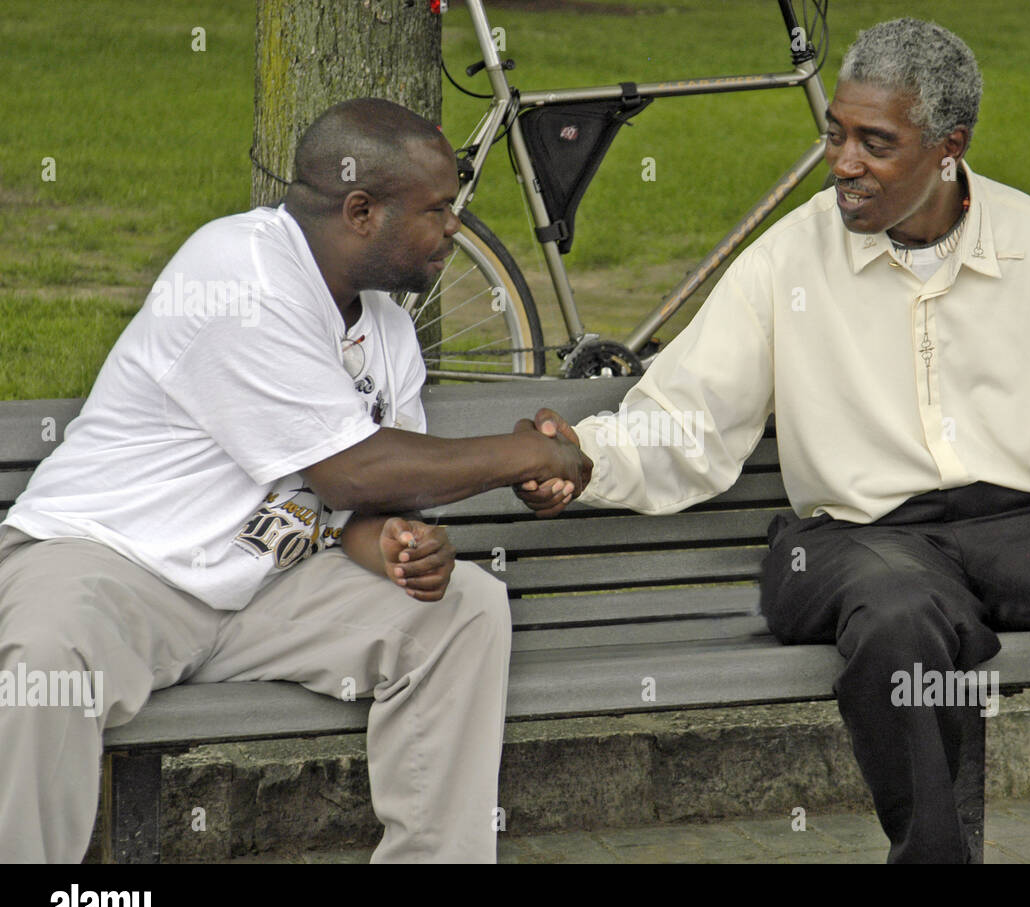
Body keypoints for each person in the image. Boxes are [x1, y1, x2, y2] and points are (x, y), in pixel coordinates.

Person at [516, 19, 1030, 863]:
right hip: (856, 542)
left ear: (950, 147)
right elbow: (692, 416)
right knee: (902, 616)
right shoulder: (790, 261)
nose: (843, 163)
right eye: (836, 133)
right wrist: (585, 462)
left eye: (875, 143)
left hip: (1023, 531)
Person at [0, 98, 589, 864]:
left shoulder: (387, 330)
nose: (453, 229)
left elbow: (364, 507)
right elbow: (349, 471)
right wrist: (527, 455)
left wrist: (399, 547)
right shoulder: (236, 273)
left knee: (463, 608)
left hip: (261, 592)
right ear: (360, 210)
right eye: (438, 209)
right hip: (113, 569)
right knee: (44, 660)